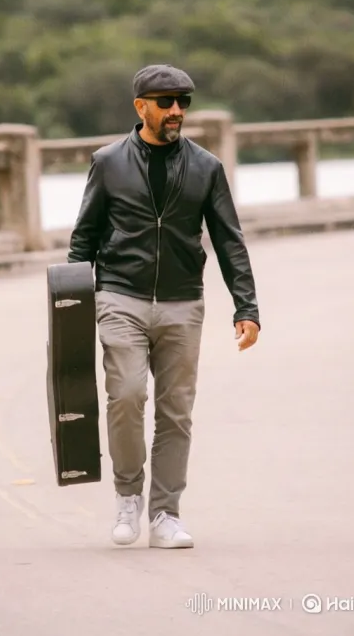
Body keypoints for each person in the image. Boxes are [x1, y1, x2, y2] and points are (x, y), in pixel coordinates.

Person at [67, 63, 260, 549]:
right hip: (119, 295)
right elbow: (83, 240)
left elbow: (229, 241)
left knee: (176, 413)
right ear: (141, 107)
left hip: (182, 303)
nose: (177, 111)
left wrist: (246, 306)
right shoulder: (108, 162)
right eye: (167, 102)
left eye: (184, 102)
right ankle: (128, 495)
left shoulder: (205, 168)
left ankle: (165, 514)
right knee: (127, 395)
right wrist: (68, 305)